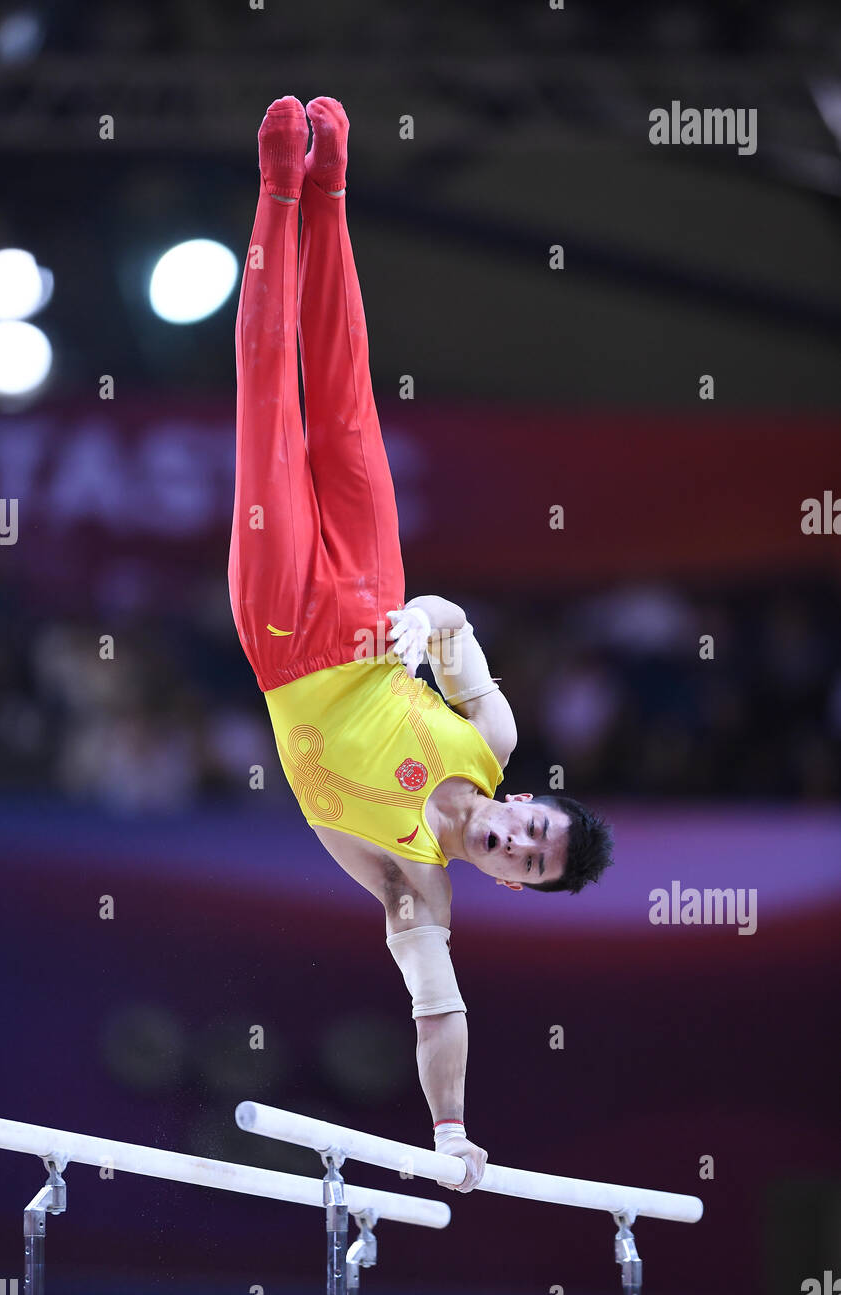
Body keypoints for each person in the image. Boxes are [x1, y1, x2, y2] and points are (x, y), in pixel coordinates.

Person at [229, 96, 614, 1192]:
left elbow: (435, 1008)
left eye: (526, 863)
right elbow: (451, 625)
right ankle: (332, 186)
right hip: (372, 594)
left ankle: (275, 186)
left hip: (284, 637)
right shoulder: (488, 733)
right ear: (530, 798)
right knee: (344, 390)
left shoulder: (416, 890)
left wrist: (448, 1133)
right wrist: (423, 617)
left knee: (271, 403)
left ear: (510, 886)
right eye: (535, 828)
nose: (517, 841)